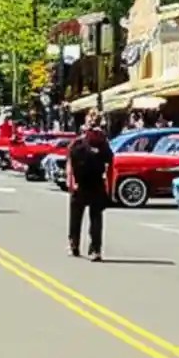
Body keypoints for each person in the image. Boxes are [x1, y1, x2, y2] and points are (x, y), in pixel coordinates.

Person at [67, 111, 113, 261]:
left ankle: (74, 244)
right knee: (96, 218)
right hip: (96, 182)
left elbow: (70, 162)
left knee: (76, 217)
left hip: (81, 183)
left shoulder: (78, 143)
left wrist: (71, 182)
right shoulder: (103, 143)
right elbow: (110, 160)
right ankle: (95, 249)